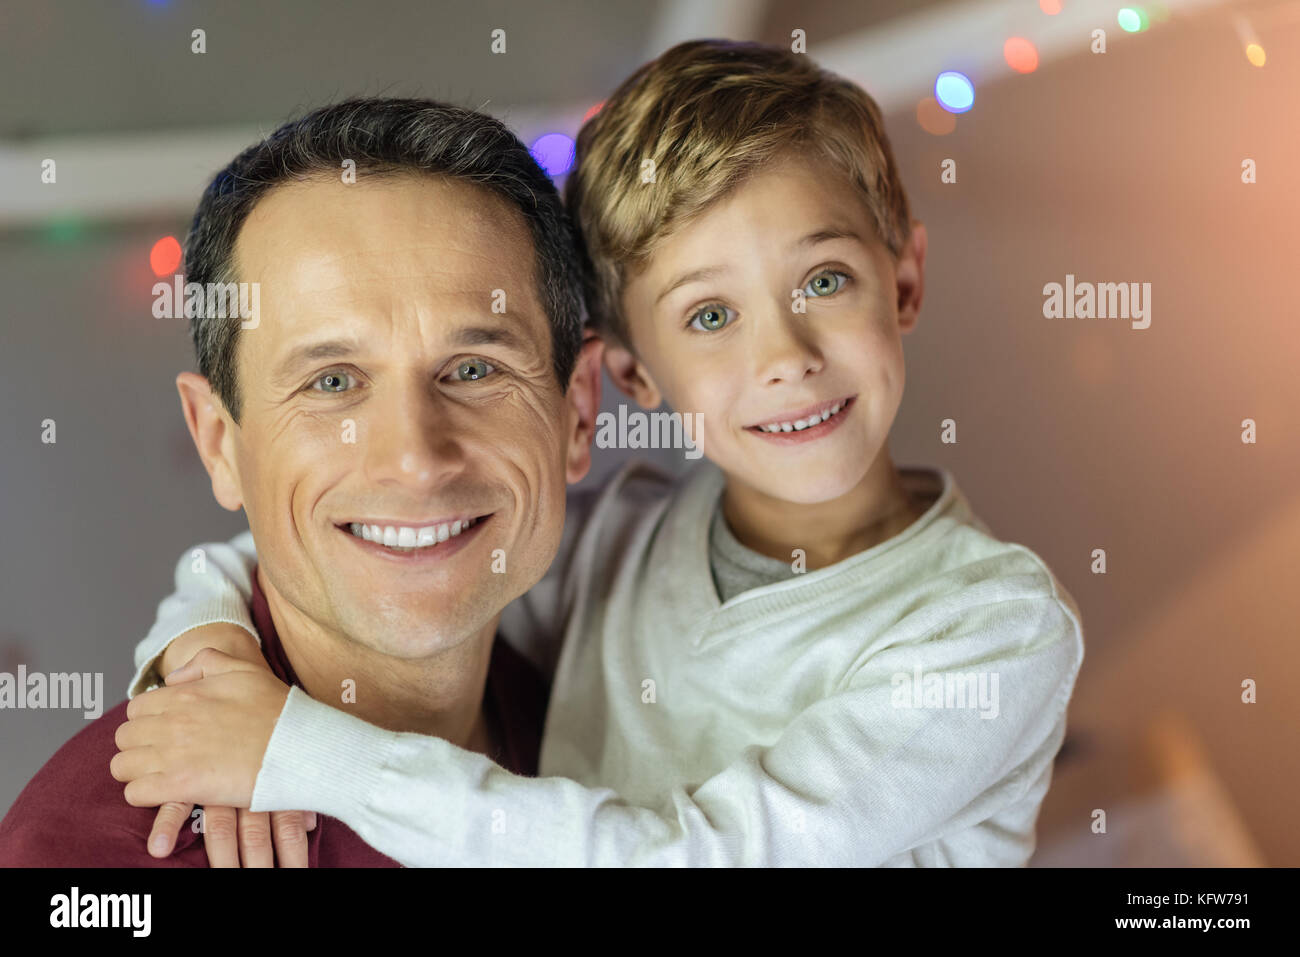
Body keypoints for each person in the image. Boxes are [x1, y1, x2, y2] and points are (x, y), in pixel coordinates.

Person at [116, 41, 1084, 867]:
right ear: (630, 373)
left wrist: (296, 755)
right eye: (709, 315)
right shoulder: (618, 547)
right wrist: (205, 645)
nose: (785, 359)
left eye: (823, 279)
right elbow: (349, 548)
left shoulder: (993, 631)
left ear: (905, 280)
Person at [0, 97, 599, 866]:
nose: (414, 459)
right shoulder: (89, 859)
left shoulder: (627, 730)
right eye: (332, 381)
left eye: (474, 369)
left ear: (578, 412)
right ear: (220, 442)